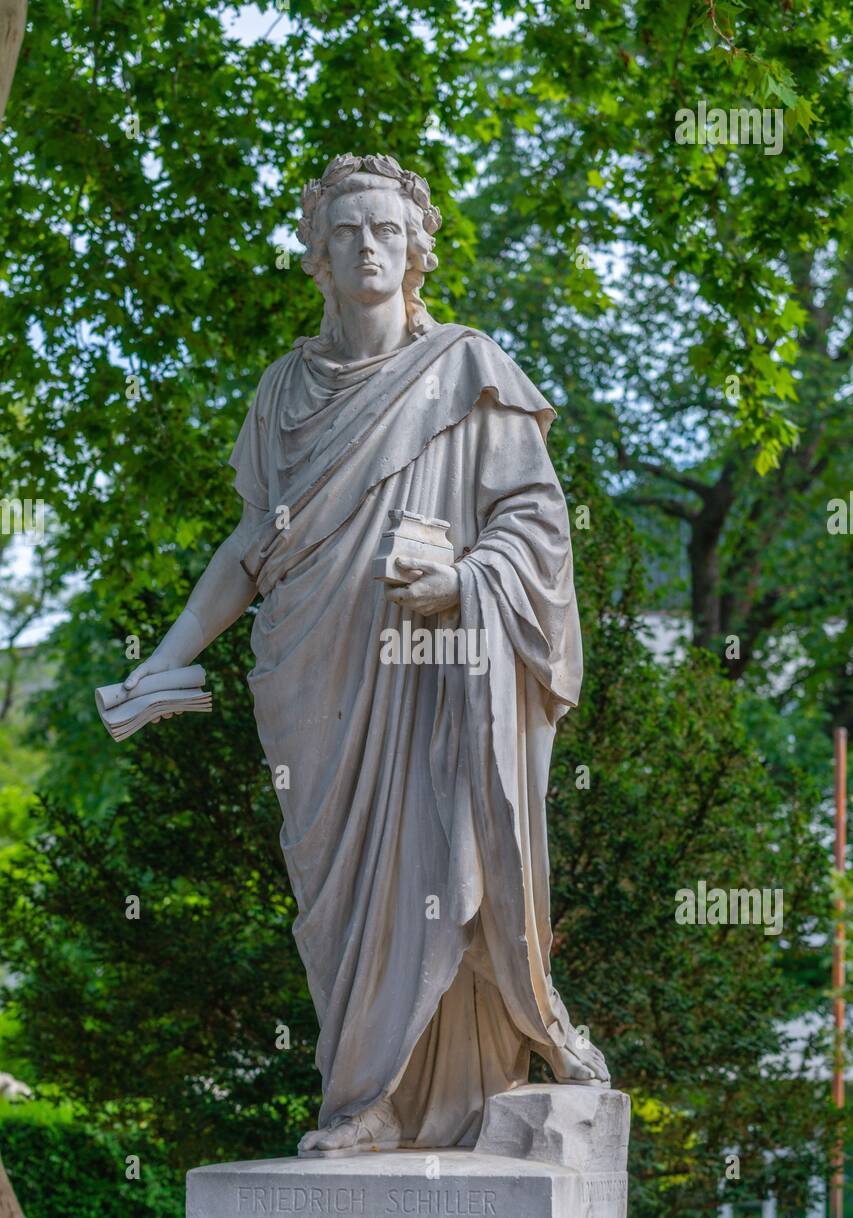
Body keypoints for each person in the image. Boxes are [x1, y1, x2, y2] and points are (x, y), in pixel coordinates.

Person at [124, 153, 609, 1157]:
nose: (368, 247)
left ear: (419, 248)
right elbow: (253, 544)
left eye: (387, 229)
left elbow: (536, 526)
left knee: (451, 871)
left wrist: (462, 582)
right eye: (345, 232)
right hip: (315, 684)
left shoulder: (470, 370)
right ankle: (363, 1100)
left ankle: (423, 1094)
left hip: (437, 677)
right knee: (341, 909)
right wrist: (165, 657)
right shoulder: (283, 392)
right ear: (317, 255)